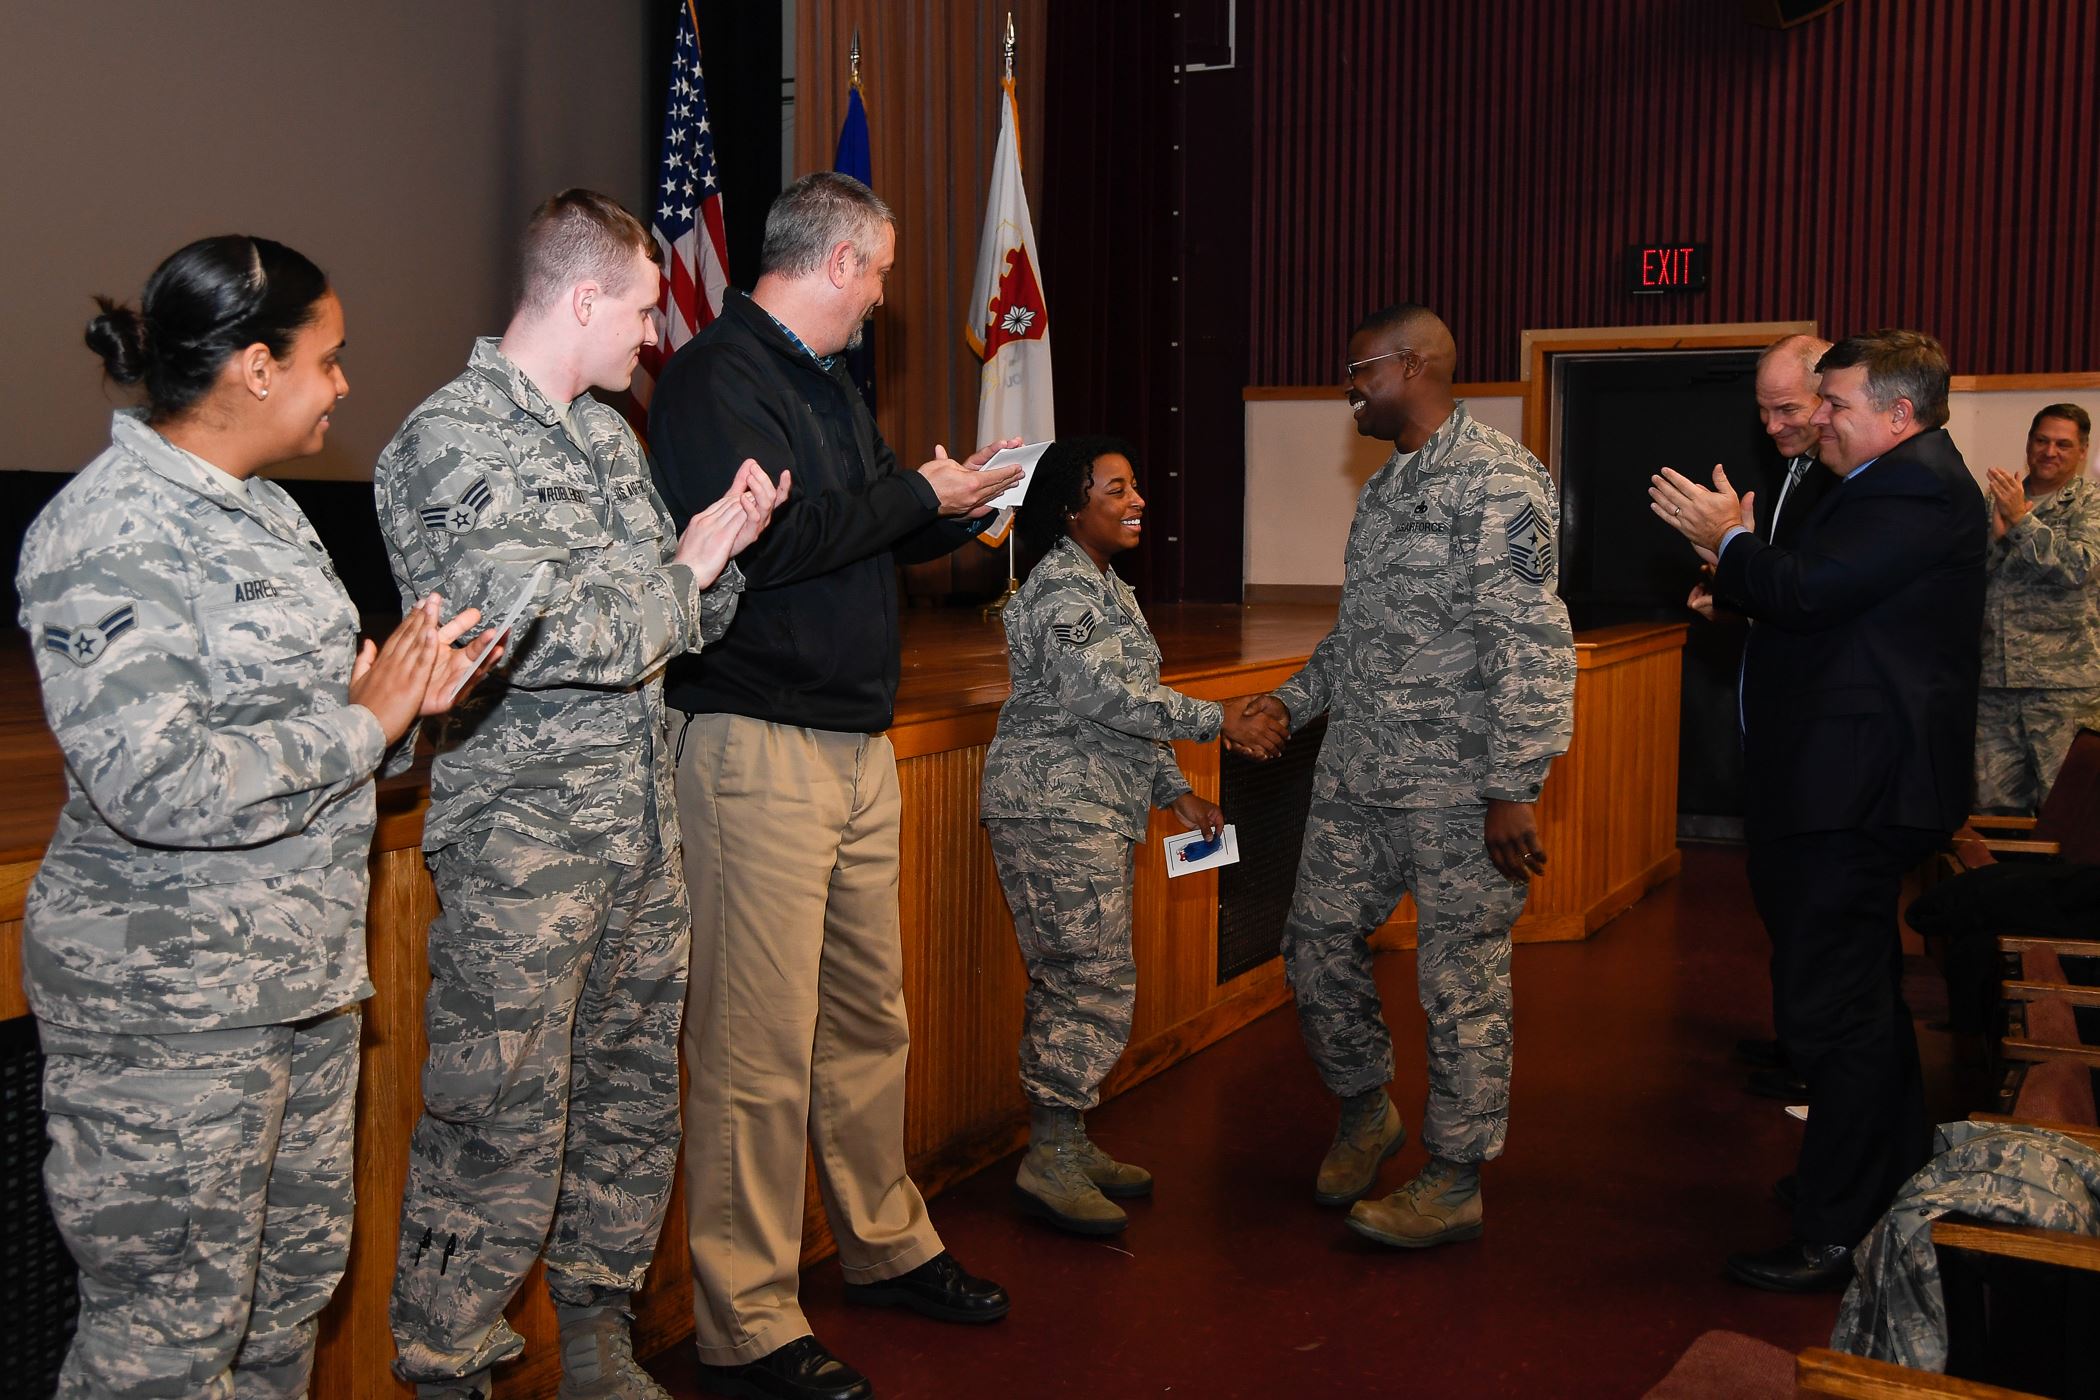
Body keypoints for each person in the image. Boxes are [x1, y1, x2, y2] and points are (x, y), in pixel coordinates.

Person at [19, 235, 491, 1399]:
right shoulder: (106, 529)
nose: (343, 383)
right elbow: (153, 779)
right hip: (168, 1014)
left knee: (287, 1297)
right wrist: (361, 728)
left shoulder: (273, 515)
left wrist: (412, 712)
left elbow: (331, 740)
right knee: (168, 1341)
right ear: (256, 367)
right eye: (328, 359)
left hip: (297, 983)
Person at [374, 190, 781, 1400]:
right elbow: (548, 634)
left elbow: (677, 623)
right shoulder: (447, 443)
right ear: (586, 297)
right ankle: (448, 1360)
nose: (657, 338)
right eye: (647, 312)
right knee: (494, 1117)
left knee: (628, 1091)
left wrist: (722, 548)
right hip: (526, 852)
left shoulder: (607, 438)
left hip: (640, 833)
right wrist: (686, 572)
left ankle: (598, 1335)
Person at [646, 171, 1021, 1400]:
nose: (882, 297)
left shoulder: (823, 381)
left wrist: (957, 509)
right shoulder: (717, 377)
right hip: (756, 744)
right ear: (838, 262)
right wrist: (912, 495)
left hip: (854, 741)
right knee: (755, 1045)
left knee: (871, 1020)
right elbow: (777, 538)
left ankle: (885, 1240)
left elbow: (865, 522)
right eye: (880, 273)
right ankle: (745, 1317)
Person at [1651, 329, 1987, 1292]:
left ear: (1898, 413)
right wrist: (1741, 563)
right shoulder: (1885, 484)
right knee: (1863, 1006)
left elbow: (1808, 589)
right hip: (1850, 780)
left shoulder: (1913, 487)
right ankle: (1879, 1180)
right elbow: (1824, 610)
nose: (1817, 420)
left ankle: (1837, 1229)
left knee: (1835, 1014)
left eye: (1834, 404)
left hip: (1857, 788)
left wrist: (1731, 542)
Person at [1238, 303, 1575, 1249]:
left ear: (1415, 366)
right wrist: (1289, 704)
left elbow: (1533, 638)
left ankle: (1456, 1177)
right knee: (1313, 945)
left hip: (1463, 791)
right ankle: (1364, 1108)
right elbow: (1359, 640)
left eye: (1360, 371)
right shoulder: (1388, 489)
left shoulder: (1501, 482)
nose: (1350, 387)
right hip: (1361, 778)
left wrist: (1515, 784)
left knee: (1459, 984)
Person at [979, 437, 1286, 1235]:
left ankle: (1068, 1140)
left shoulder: (1108, 588)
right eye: (1117, 488)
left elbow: (1126, 709)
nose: (1138, 500)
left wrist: (1176, 792)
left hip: (1091, 805)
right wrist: (1218, 720)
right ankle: (1048, 1155)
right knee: (1087, 978)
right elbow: (1105, 695)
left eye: (1136, 485)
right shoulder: (1061, 592)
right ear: (1071, 507)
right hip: (1054, 809)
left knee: (1089, 977)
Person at [1974, 403, 2098, 813]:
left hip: (2064, 688)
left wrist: (2021, 522)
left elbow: (2078, 567)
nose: (2050, 452)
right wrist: (1996, 538)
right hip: (1995, 683)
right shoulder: (1997, 497)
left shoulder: (2090, 504)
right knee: (1992, 808)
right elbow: (1969, 576)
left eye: (2063, 444)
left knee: (2067, 810)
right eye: (2041, 441)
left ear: (2082, 451)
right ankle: (2003, 881)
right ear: (2028, 443)